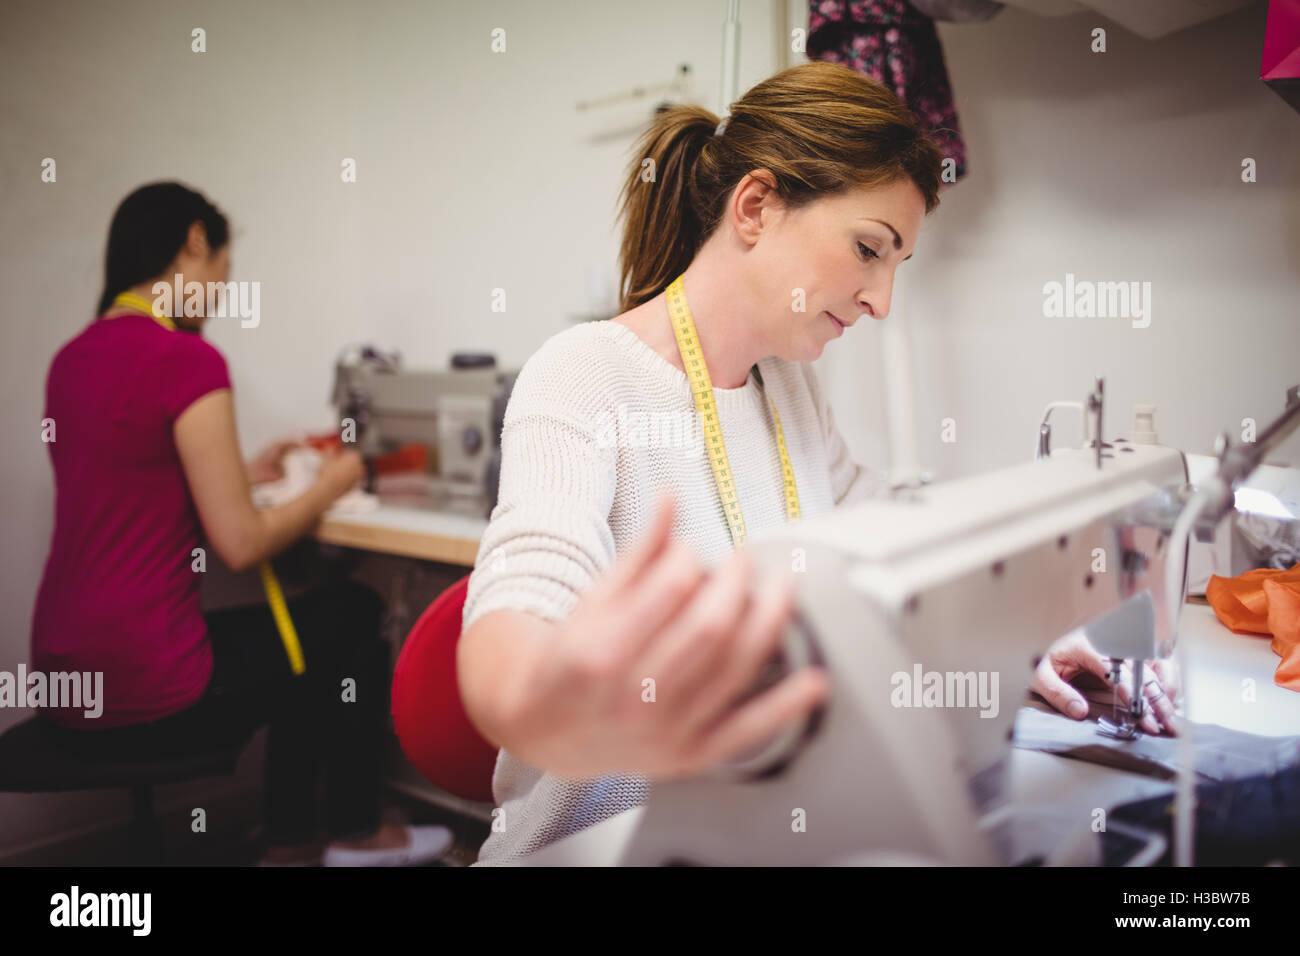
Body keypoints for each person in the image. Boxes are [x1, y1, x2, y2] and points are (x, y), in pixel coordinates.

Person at [457, 61, 1178, 865]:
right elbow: (520, 597)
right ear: (756, 206)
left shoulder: (787, 388)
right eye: (870, 249)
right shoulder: (584, 373)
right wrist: (545, 700)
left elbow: (899, 547)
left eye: (896, 265)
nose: (882, 302)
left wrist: (1018, 632)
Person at [31, 181, 451, 866]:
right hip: (147, 684)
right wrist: (337, 483)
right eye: (224, 272)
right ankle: (347, 833)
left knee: (311, 630)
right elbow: (241, 543)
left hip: (63, 667)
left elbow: (127, 488)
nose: (223, 294)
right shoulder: (185, 358)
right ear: (194, 242)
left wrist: (239, 472)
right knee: (352, 614)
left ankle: (291, 839)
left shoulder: (72, 359)